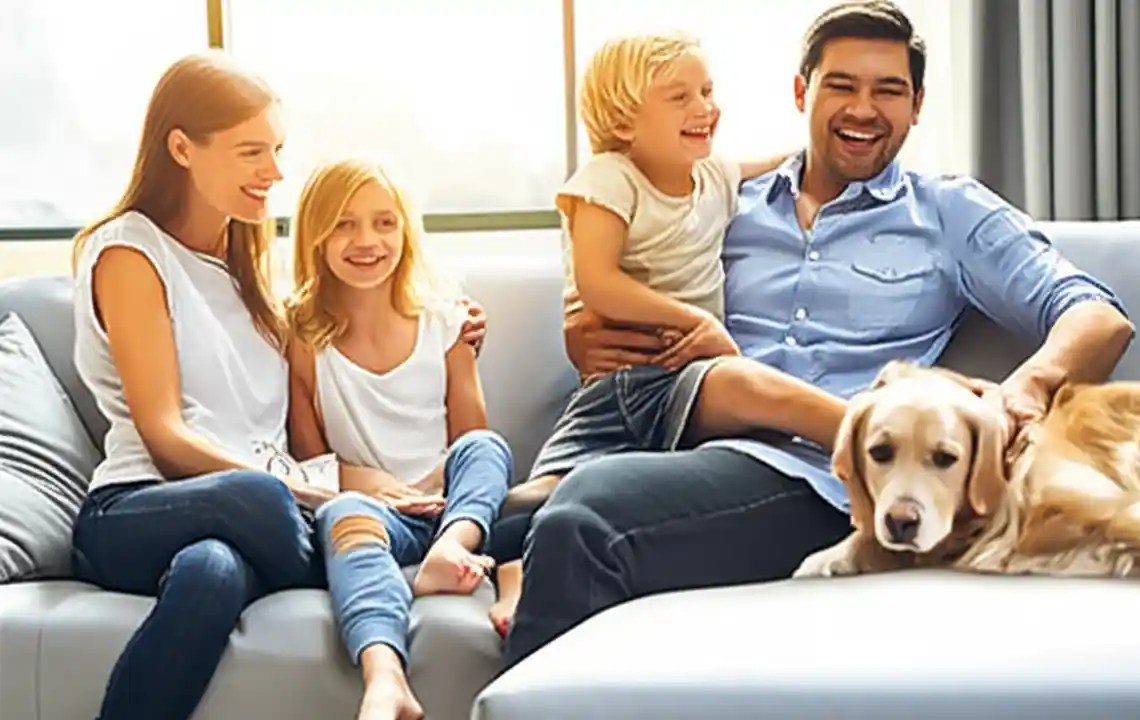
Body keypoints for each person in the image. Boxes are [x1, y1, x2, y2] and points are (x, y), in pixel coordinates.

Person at [502, 0, 1135, 668]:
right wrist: (586, 333)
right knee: (484, 515)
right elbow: (628, 272)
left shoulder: (947, 211)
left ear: (917, 106)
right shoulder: (722, 200)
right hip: (677, 438)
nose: (863, 109)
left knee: (582, 518)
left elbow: (1098, 316)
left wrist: (1023, 392)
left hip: (818, 477)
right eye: (842, 86)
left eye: (888, 91)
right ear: (801, 92)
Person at [488, 31, 853, 637]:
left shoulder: (715, 175)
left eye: (707, 90)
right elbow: (598, 282)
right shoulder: (609, 179)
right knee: (535, 499)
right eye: (679, 97)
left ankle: (863, 436)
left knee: (733, 392)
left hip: (681, 383)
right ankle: (512, 581)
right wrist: (698, 322)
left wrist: (830, 142)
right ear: (622, 121)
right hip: (621, 384)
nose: (705, 107)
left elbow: (788, 161)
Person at [67, 52, 338, 720]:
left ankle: (359, 541)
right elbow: (163, 435)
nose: (274, 171)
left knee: (210, 572)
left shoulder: (248, 274)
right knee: (262, 498)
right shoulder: (130, 250)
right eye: (251, 152)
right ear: (182, 148)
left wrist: (449, 329)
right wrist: (302, 495)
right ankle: (364, 550)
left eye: (276, 150)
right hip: (135, 507)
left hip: (239, 525)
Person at [285, 159, 514, 720]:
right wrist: (367, 483)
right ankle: (385, 677)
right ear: (315, 236)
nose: (367, 240)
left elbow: (470, 436)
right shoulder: (302, 338)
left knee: (489, 451)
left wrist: (444, 494)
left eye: (384, 222)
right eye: (344, 224)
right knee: (341, 516)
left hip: (452, 509)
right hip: (376, 514)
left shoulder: (446, 322)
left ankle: (453, 550)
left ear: (406, 230)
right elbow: (308, 458)